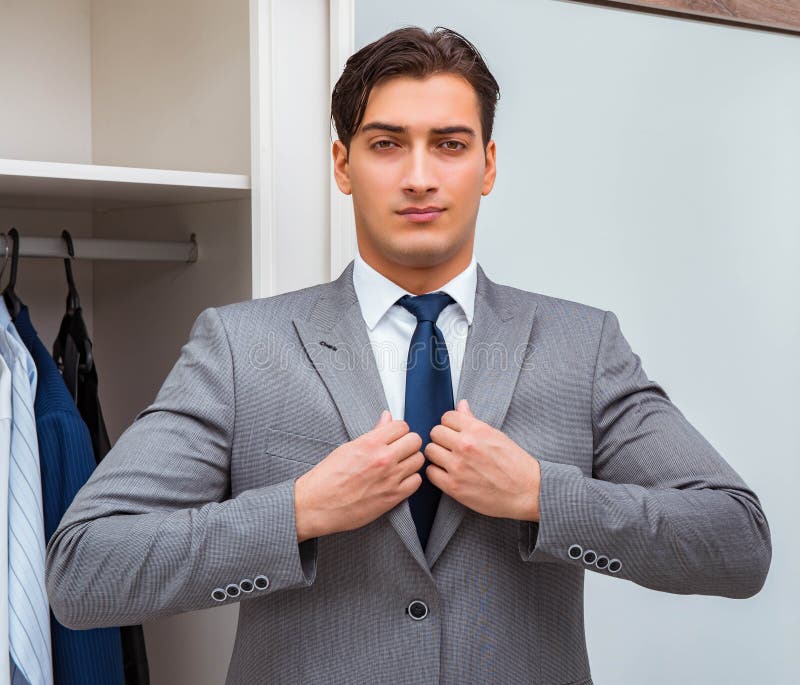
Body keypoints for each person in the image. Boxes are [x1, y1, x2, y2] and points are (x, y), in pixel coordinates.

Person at [45, 25, 772, 685]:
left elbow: (737, 542)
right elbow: (84, 570)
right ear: (343, 163)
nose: (419, 175)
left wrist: (543, 496)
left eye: (450, 144)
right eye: (387, 143)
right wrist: (297, 511)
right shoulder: (240, 348)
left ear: (487, 165)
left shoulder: (582, 346)